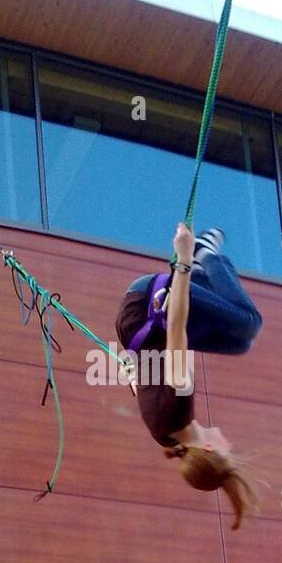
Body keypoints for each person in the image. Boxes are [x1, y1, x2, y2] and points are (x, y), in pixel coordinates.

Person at [114, 223, 262, 529]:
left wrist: (181, 260)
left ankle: (202, 253)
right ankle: (203, 267)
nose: (229, 442)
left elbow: (178, 326)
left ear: (208, 448)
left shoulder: (179, 409)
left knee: (249, 322)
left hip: (147, 304)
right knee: (240, 343)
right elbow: (142, 387)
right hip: (143, 326)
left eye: (227, 450)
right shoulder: (167, 436)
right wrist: (130, 366)